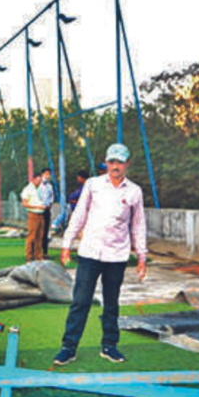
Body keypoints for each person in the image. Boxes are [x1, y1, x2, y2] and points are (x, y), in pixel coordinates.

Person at [53, 143, 147, 366]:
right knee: (81, 300)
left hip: (117, 255)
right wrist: (67, 243)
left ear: (127, 164)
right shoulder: (93, 185)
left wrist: (142, 256)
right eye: (112, 161)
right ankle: (69, 347)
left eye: (120, 162)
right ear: (106, 162)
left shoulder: (134, 191)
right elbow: (79, 214)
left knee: (112, 302)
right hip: (90, 252)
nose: (115, 166)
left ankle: (109, 346)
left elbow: (138, 225)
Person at [20, 169, 49, 261]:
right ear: (33, 180)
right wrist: (36, 206)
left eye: (40, 181)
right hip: (33, 214)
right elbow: (24, 203)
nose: (39, 182)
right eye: (38, 181)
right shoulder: (27, 189)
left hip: (41, 214)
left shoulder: (40, 189)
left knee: (40, 236)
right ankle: (29, 256)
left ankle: (38, 256)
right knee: (32, 236)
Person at [39, 168, 56, 258]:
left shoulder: (49, 186)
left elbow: (51, 197)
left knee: (45, 231)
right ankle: (36, 252)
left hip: (46, 210)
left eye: (49, 174)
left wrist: (50, 205)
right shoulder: (37, 185)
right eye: (46, 173)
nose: (48, 176)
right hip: (38, 210)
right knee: (38, 231)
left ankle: (45, 252)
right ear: (42, 174)